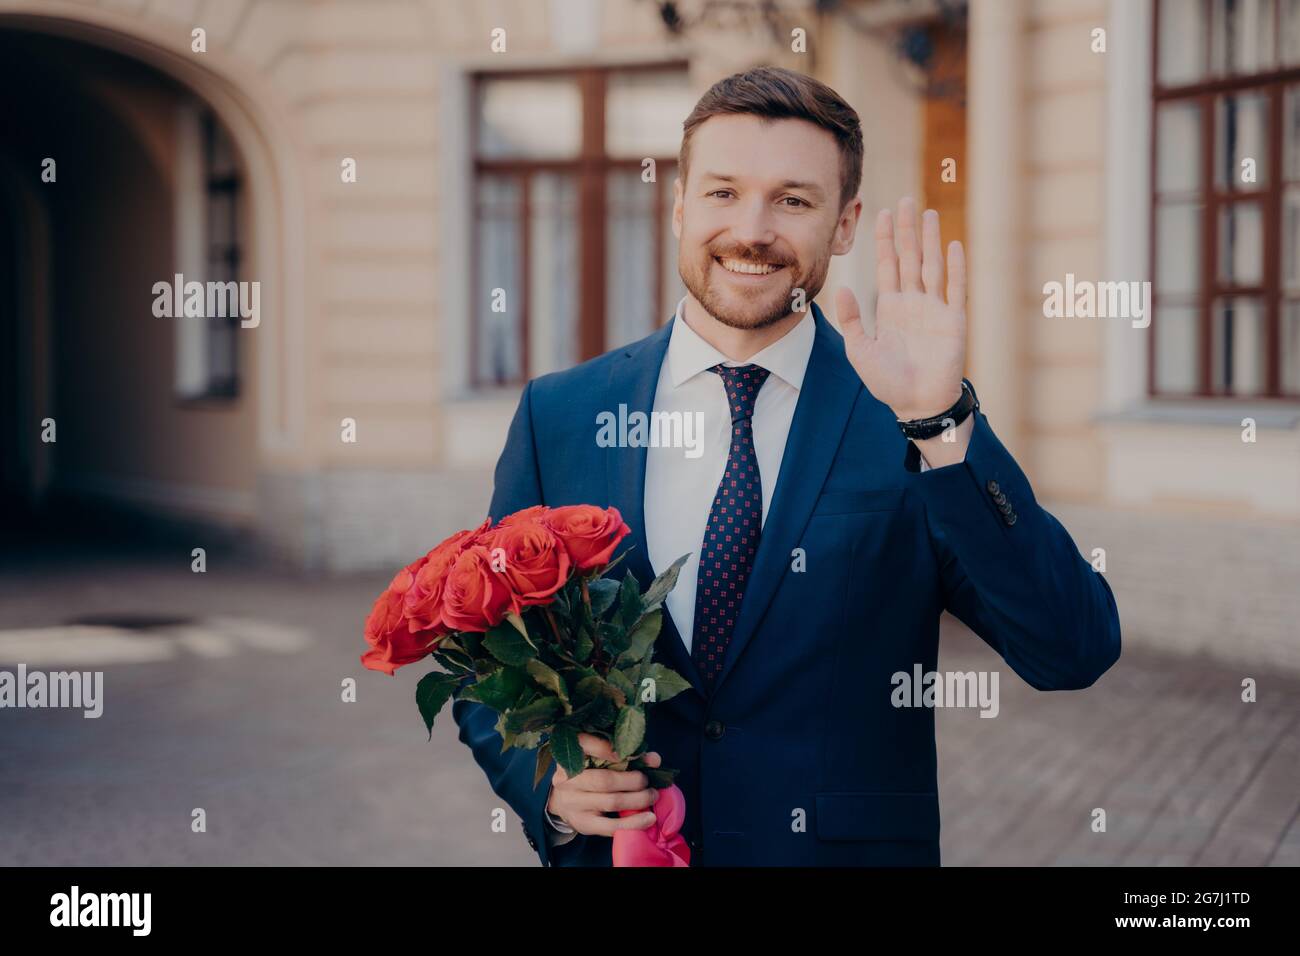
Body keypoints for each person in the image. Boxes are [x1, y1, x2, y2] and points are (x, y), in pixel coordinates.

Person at [452, 65, 1121, 866]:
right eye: (723, 192)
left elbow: (1071, 649)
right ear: (678, 204)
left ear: (844, 224)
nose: (753, 230)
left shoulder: (907, 419)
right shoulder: (560, 414)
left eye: (794, 200)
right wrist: (547, 785)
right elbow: (484, 658)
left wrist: (941, 424)